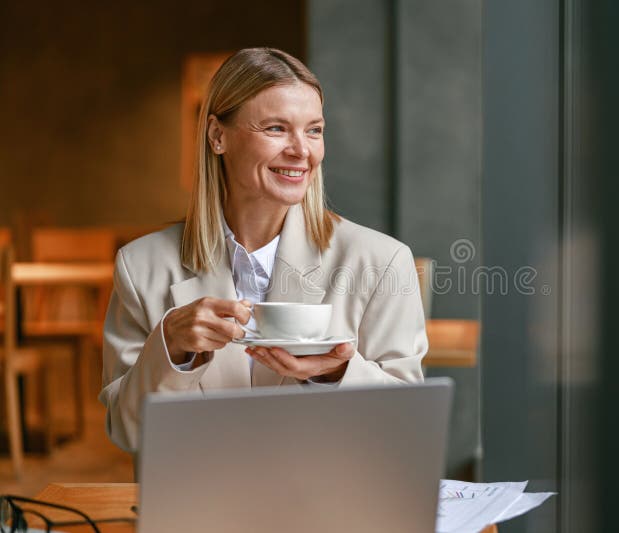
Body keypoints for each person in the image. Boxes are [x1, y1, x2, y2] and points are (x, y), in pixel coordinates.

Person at [100, 48, 427, 453]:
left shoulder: (382, 261)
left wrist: (339, 372)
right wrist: (169, 349)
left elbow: (407, 431)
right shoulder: (141, 266)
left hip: (327, 506)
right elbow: (126, 432)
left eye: (314, 130)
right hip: (198, 507)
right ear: (218, 136)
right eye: (276, 128)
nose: (301, 151)